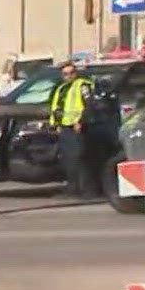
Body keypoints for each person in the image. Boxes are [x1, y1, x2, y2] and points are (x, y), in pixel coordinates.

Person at [48, 61, 93, 198]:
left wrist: (81, 121)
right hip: (64, 127)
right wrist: (56, 124)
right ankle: (72, 189)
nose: (69, 76)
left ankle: (86, 190)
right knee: (68, 160)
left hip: (77, 127)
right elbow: (56, 108)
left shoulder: (82, 85)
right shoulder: (61, 88)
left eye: (71, 73)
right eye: (65, 74)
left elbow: (89, 104)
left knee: (79, 159)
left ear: (76, 73)